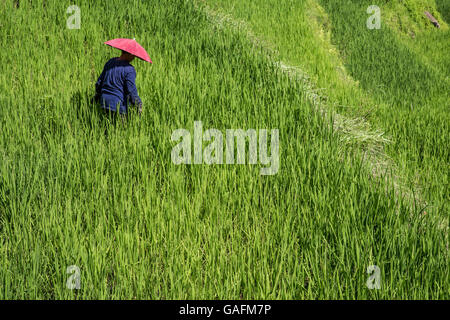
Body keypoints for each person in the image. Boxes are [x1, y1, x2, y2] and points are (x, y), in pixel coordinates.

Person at [94, 50, 143, 119]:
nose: (134, 58)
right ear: (129, 54)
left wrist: (97, 95)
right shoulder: (129, 69)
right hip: (118, 105)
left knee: (106, 127)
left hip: (104, 102)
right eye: (133, 55)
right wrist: (138, 104)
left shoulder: (110, 62)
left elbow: (99, 82)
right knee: (121, 128)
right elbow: (131, 90)